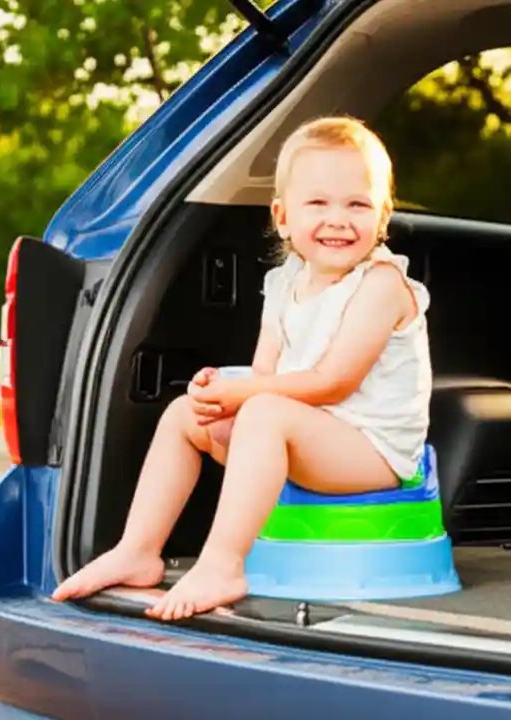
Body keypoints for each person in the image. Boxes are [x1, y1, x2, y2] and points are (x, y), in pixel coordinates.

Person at [51, 115, 432, 621]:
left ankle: (223, 563)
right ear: (282, 216)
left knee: (263, 413)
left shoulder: (380, 285)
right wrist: (220, 391)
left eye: (358, 204)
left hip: (371, 451)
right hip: (306, 433)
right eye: (317, 203)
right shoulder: (282, 284)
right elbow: (263, 373)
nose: (338, 218)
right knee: (187, 414)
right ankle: (138, 549)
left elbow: (332, 382)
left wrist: (248, 397)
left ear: (381, 216)